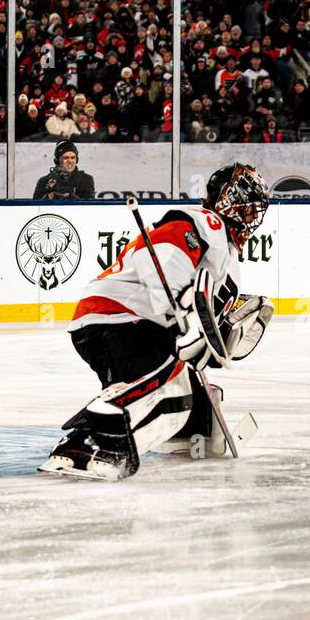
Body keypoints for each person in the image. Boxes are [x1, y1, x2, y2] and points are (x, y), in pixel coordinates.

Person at [40, 163, 274, 480]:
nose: (250, 216)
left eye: (254, 210)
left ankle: (184, 437)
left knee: (183, 392)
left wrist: (215, 339)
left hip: (115, 317)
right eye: (245, 206)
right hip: (124, 315)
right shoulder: (207, 223)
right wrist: (180, 312)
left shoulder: (227, 253)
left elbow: (204, 320)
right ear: (224, 199)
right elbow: (162, 254)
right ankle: (95, 444)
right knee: (172, 393)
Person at [32, 140, 96, 200]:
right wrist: (49, 195)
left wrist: (71, 196)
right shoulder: (45, 181)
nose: (70, 161)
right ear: (57, 160)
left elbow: (91, 206)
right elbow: (35, 206)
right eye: (66, 158)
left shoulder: (86, 179)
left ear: (77, 159)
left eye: (73, 158)